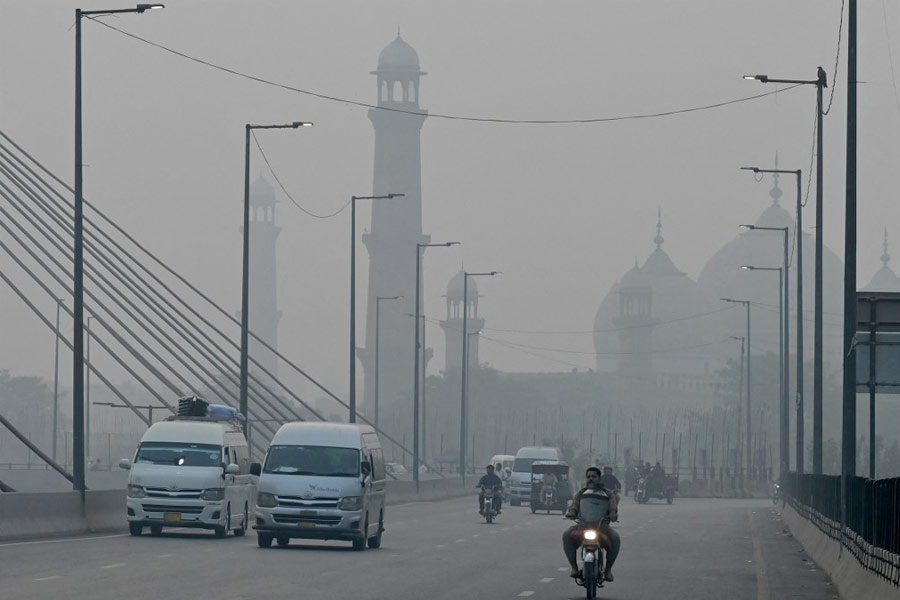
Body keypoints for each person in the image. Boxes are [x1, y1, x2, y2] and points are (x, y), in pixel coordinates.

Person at [563, 466, 620, 581]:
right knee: (566, 535)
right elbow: (574, 504)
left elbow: (613, 506)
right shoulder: (581, 493)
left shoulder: (608, 494)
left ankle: (608, 570)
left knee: (615, 538)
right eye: (588, 477)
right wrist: (571, 512)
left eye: (593, 476)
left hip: (602, 528)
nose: (590, 479)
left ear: (599, 478)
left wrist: (613, 514)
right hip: (582, 527)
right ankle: (574, 567)